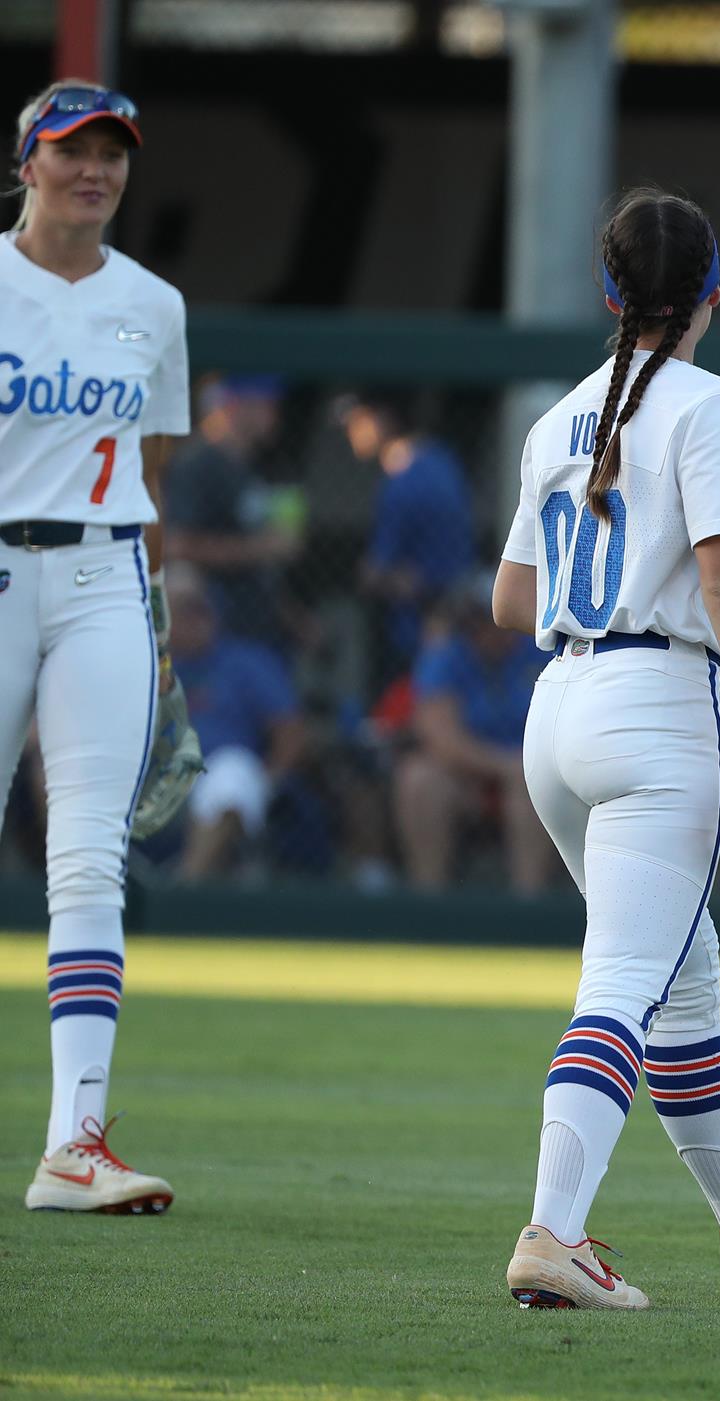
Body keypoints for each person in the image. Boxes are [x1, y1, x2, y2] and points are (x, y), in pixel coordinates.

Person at [490, 187, 720, 1310]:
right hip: (652, 705)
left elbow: (509, 598)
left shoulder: (556, 416)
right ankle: (553, 1233)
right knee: (629, 979)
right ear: (711, 294)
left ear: (607, 293)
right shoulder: (710, 402)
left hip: (558, 711)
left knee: (678, 980)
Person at [1, 81, 188, 1213]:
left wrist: (151, 617)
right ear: (27, 161)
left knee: (88, 859)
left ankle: (76, 1142)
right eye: (74, 150)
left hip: (105, 575)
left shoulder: (152, 303)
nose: (97, 170)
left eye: (113, 153)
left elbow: (155, 469)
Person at [394, 575, 551, 894]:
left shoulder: (541, 651)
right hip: (468, 776)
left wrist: (523, 769)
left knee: (534, 784)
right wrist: (505, 766)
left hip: (531, 774)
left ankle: (529, 909)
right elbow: (442, 741)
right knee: (419, 779)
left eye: (490, 616)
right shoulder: (447, 657)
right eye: (475, 618)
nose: (484, 627)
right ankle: (429, 903)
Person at [168, 567, 307, 879]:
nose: (197, 616)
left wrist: (269, 780)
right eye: (184, 607)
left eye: (201, 606)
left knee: (232, 776)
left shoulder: (245, 661)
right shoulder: (142, 663)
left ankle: (181, 895)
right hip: (153, 775)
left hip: (219, 771)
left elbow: (291, 732)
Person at [163, 373, 297, 645]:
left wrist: (299, 622)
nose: (274, 415)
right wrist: (261, 548)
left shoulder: (261, 464)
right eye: (265, 404)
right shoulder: (195, 465)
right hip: (212, 627)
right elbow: (177, 545)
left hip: (260, 623)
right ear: (235, 405)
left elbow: (270, 562)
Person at [347, 391, 473, 666]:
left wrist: (376, 577)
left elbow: (375, 573)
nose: (351, 430)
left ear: (383, 419)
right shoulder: (443, 460)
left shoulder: (403, 479)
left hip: (420, 625)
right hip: (450, 612)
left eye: (358, 420)